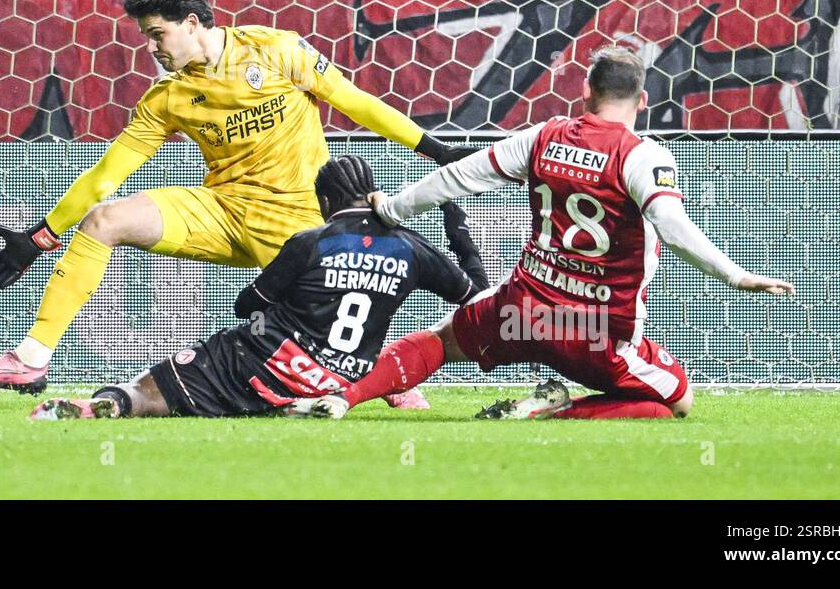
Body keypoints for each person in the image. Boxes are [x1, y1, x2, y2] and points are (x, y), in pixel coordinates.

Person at [0, 0, 479, 399]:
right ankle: (30, 360)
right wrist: (42, 235)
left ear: (190, 22)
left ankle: (384, 385)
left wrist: (433, 150)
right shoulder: (168, 98)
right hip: (222, 213)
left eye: (158, 34)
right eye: (147, 38)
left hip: (298, 227)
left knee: (341, 343)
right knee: (105, 219)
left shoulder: (277, 51)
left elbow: (354, 102)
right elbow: (107, 174)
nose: (153, 49)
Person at [290, 45, 795, 422]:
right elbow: (672, 224)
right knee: (672, 404)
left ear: (586, 91)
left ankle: (341, 398)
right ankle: (554, 411)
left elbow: (459, 176)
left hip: (522, 312)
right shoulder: (642, 155)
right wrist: (736, 275)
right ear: (642, 98)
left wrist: (393, 208)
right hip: (598, 334)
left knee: (440, 341)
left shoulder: (545, 136)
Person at [32, 157, 486, 419]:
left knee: (151, 390)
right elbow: (476, 297)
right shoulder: (412, 248)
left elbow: (245, 304)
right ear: (372, 193)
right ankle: (295, 401)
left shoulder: (312, 242)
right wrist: (459, 231)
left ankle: (109, 405)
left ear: (323, 202)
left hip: (261, 362)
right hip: (335, 383)